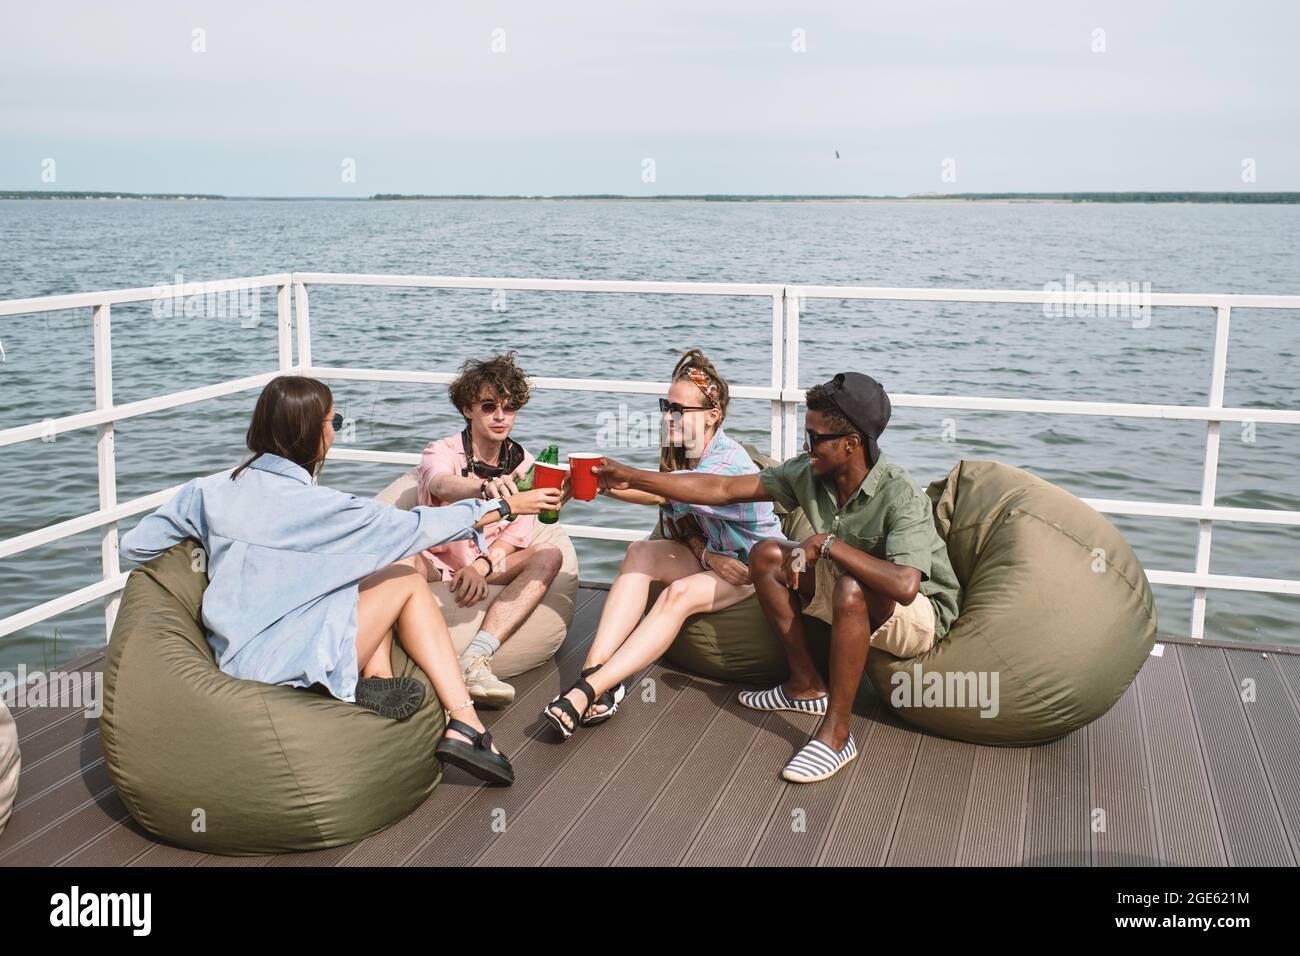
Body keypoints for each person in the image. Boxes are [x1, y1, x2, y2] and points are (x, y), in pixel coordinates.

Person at [119, 375, 563, 786]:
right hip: (296, 665)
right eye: (336, 421)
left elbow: (136, 546)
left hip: (231, 658)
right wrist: (506, 507)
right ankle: (465, 722)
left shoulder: (207, 491)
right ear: (315, 432)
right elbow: (416, 528)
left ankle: (386, 682)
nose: (336, 430)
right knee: (402, 580)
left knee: (377, 573)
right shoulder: (328, 509)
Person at [593, 372, 962, 783]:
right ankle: (805, 686)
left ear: (851, 444)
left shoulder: (899, 493)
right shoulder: (810, 472)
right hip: (849, 589)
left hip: (919, 612)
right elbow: (723, 489)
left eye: (816, 437)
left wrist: (827, 546)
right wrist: (633, 477)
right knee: (767, 555)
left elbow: (905, 587)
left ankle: (838, 735)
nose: (806, 445)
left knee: (850, 587)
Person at [542, 349, 783, 738]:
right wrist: (596, 487)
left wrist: (618, 478)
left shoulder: (727, 463)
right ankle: (597, 671)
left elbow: (667, 492)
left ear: (712, 415)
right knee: (640, 552)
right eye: (665, 406)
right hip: (716, 560)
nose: (668, 416)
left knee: (678, 594)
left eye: (678, 409)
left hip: (752, 571)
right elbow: (667, 499)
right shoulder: (686, 457)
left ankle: (586, 691)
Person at [407, 353, 563, 706]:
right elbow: (440, 485)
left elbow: (515, 534)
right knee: (402, 560)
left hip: (486, 564)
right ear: (467, 409)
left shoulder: (521, 461)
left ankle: (475, 658)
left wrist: (482, 566)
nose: (500, 416)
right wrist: (483, 490)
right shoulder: (441, 451)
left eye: (509, 408)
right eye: (489, 406)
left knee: (550, 555)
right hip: (437, 560)